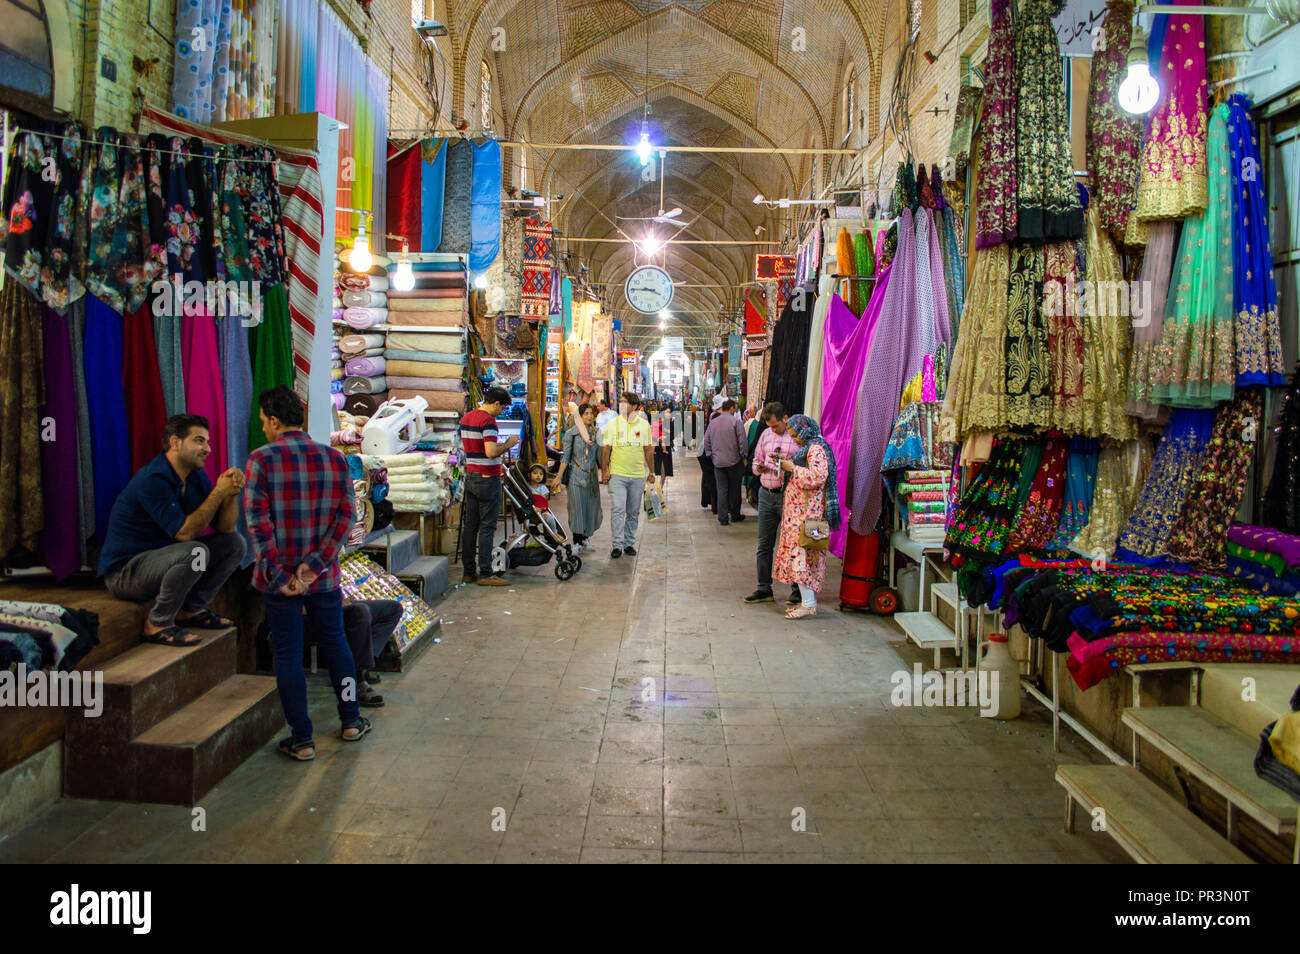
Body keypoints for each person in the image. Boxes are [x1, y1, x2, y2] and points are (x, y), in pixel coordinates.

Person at [244, 386, 370, 760]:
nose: (264, 427)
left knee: (288, 655)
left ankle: (302, 740)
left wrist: (282, 576)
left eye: (264, 421)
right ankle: (350, 720)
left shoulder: (261, 460)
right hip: (324, 578)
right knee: (337, 646)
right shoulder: (333, 459)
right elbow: (347, 517)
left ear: (273, 419)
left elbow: (258, 523)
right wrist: (314, 567)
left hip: (278, 581)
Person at [99, 414, 247, 647]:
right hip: (126, 572)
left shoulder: (195, 477)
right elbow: (185, 534)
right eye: (199, 441)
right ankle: (158, 622)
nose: (207, 449)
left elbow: (225, 527)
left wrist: (231, 494)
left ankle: (189, 609)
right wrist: (218, 493)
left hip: (165, 560)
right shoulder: (153, 479)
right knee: (195, 552)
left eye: (208, 442)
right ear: (175, 443)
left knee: (234, 544)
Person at [772, 414, 841, 620]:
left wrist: (792, 468)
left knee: (802, 558)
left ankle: (808, 604)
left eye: (795, 434)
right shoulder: (809, 449)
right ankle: (806, 603)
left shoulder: (816, 449)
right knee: (802, 558)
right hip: (800, 515)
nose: (794, 438)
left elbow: (818, 477)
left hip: (807, 516)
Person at [458, 386, 518, 586]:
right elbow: (491, 451)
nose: (501, 412)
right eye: (501, 408)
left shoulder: (467, 418)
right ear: (496, 404)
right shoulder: (488, 421)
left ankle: (469, 572)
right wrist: (508, 444)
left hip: (472, 475)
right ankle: (485, 573)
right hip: (487, 478)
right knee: (486, 527)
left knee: (470, 526)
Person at [745, 403, 802, 606]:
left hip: (789, 497)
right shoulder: (766, 436)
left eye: (776, 425)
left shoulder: (797, 437)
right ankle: (763, 588)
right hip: (766, 495)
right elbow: (755, 461)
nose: (773, 429)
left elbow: (803, 466)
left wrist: (788, 467)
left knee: (794, 544)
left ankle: (797, 589)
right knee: (764, 544)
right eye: (770, 426)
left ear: (785, 418)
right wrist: (758, 467)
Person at [600, 391, 653, 559]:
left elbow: (648, 450)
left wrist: (651, 472)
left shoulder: (644, 426)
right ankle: (617, 544)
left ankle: (629, 542)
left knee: (633, 512)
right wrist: (605, 471)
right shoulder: (613, 424)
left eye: (625, 402)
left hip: (637, 475)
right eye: (620, 402)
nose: (622, 405)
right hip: (618, 475)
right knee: (617, 510)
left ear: (635, 406)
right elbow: (606, 449)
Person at [552, 401, 602, 553]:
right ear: (579, 417)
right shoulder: (571, 434)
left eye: (591, 413)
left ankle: (586, 537)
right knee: (576, 508)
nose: (589, 416)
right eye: (586, 413)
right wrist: (558, 477)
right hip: (575, 475)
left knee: (590, 507)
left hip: (591, 476)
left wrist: (606, 470)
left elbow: (600, 456)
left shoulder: (596, 433)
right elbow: (565, 457)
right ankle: (577, 541)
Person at [341, 598, 403, 707]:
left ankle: (364, 664)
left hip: (333, 600)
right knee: (360, 611)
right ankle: (358, 677)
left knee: (394, 608)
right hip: (317, 607)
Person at [701, 399, 748, 525]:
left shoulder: (713, 423)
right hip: (734, 462)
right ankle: (735, 515)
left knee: (721, 489)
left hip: (718, 462)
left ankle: (722, 518)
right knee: (735, 489)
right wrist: (743, 456)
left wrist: (711, 455)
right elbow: (742, 441)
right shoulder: (736, 422)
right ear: (732, 408)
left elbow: (706, 441)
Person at [697, 394, 725, 512]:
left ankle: (712, 504)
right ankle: (715, 506)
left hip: (706, 451)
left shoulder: (712, 414)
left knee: (709, 478)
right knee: (712, 480)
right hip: (708, 452)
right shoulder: (717, 416)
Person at [652, 401, 675, 487]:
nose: (668, 414)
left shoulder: (671, 423)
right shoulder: (657, 422)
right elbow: (653, 434)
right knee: (656, 468)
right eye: (666, 412)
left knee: (664, 468)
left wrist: (666, 437)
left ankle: (661, 486)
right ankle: (656, 485)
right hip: (657, 448)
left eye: (669, 412)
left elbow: (673, 435)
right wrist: (658, 438)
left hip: (666, 448)